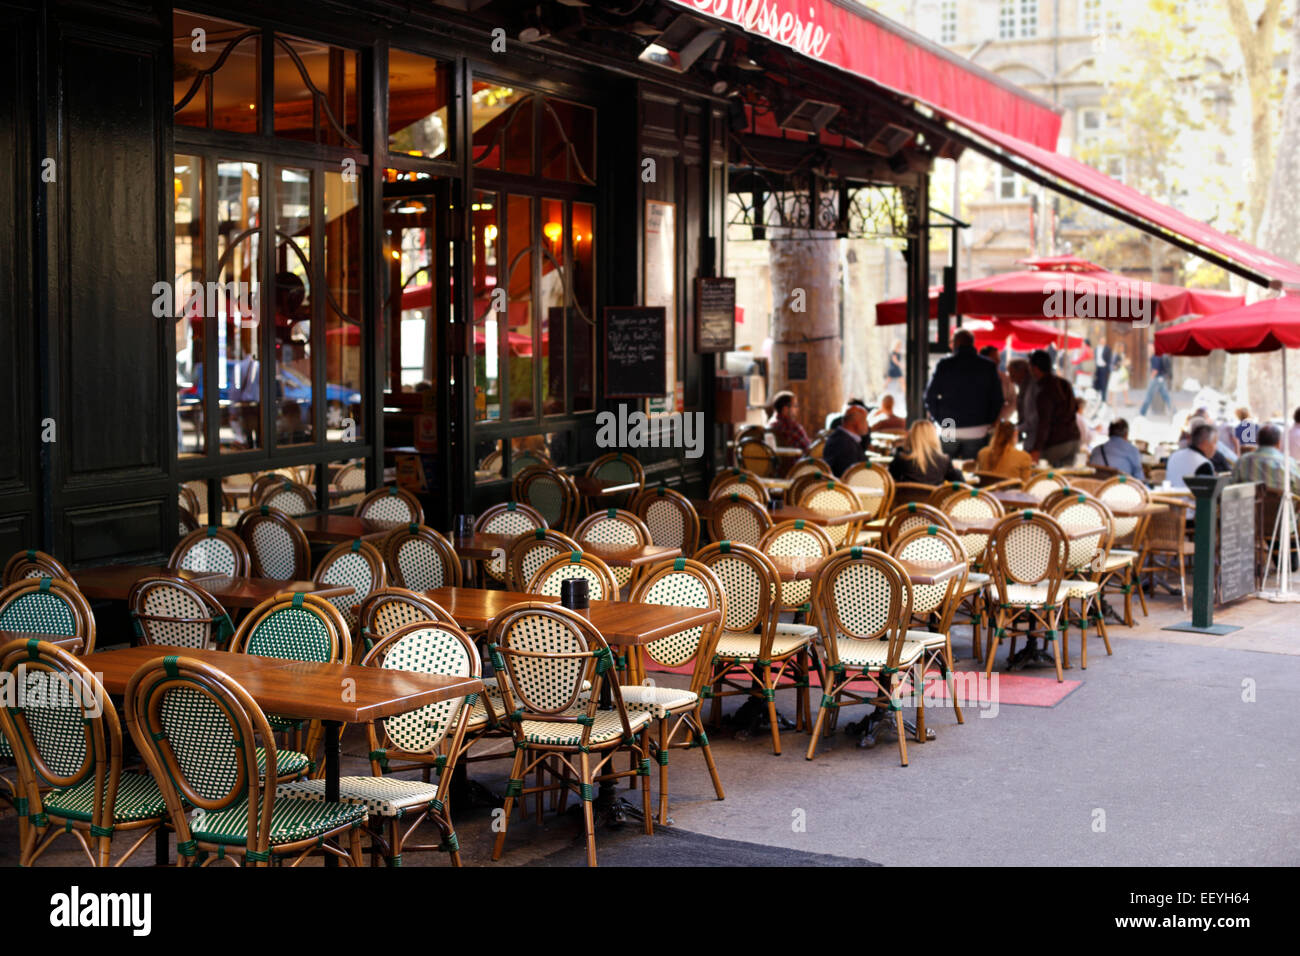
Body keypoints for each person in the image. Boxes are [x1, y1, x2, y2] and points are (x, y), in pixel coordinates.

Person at [923, 328, 1004, 459]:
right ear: (972, 343)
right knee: (972, 469)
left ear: (956, 343)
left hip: (949, 424)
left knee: (946, 467)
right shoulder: (987, 366)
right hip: (978, 428)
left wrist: (940, 418)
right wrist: (988, 420)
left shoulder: (945, 365)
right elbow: (997, 398)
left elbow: (929, 396)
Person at [1027, 349, 1080, 467]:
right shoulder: (1064, 383)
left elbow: (1044, 423)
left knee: (1051, 479)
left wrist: (1036, 449)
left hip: (1057, 443)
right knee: (1067, 479)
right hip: (1074, 438)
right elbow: (1075, 408)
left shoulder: (1045, 391)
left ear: (1035, 368)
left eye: (1030, 367)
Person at [1230, 424, 1300, 496]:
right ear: (1279, 443)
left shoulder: (1242, 461)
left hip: (1250, 506)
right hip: (1283, 506)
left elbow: (1232, 486)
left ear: (1257, 441)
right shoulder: (1288, 463)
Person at [889, 419, 961, 485]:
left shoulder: (902, 457)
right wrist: (957, 470)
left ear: (912, 436)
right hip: (936, 499)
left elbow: (890, 478)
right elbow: (960, 483)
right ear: (934, 437)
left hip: (906, 498)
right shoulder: (944, 460)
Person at [1164, 423, 1219, 489]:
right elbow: (1209, 493)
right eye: (1215, 443)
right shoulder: (1203, 464)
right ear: (1205, 444)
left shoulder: (1174, 455)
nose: (1217, 448)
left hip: (1167, 498)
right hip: (1189, 499)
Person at [824, 404, 869, 477]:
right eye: (865, 421)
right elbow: (849, 476)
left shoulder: (840, 437)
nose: (867, 425)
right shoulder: (845, 444)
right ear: (857, 423)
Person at [980, 345, 1017, 421]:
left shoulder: (1005, 378)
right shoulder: (975, 378)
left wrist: (1001, 418)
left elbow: (1013, 400)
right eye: (994, 358)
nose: (998, 361)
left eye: (998, 358)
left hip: (998, 424)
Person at [1007, 358, 1038, 447]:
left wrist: (1017, 428)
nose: (1010, 377)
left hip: (1035, 437)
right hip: (1031, 435)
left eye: (1012, 373)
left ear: (1022, 372)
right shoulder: (1024, 387)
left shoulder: (1031, 388)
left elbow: (1034, 419)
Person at [1139, 352, 1172, 417]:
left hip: (1156, 379)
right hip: (1162, 378)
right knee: (1166, 397)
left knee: (1148, 396)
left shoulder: (1155, 356)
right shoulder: (1160, 355)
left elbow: (1155, 370)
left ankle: (1142, 413)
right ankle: (1174, 412)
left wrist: (1151, 378)